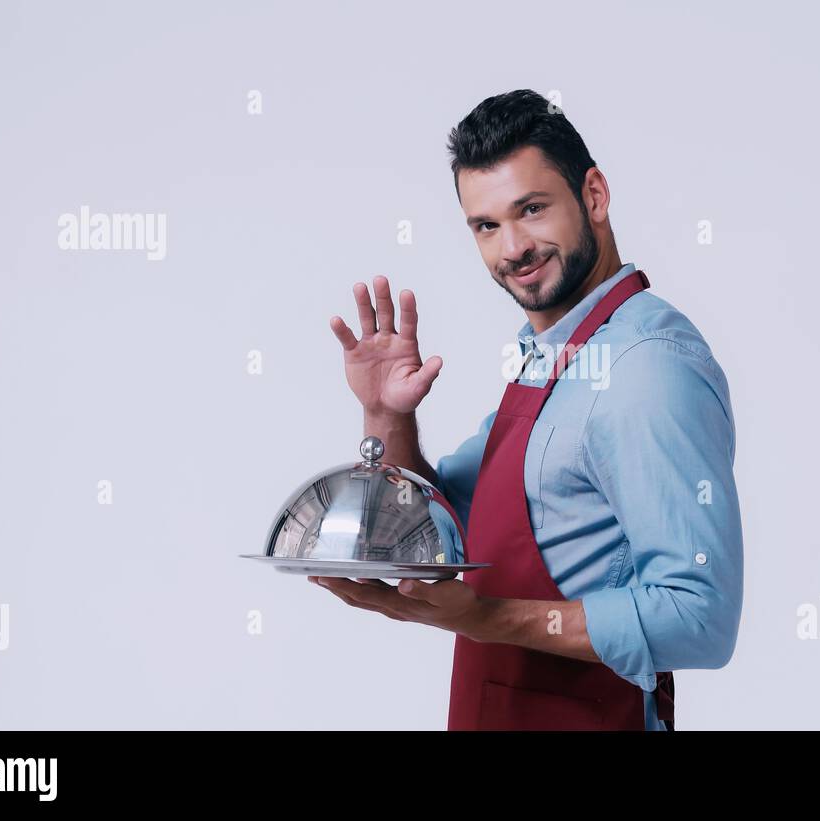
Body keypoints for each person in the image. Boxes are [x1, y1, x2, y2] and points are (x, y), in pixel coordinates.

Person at [311, 89, 742, 731]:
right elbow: (435, 527)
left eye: (532, 209)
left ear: (593, 196)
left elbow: (698, 617)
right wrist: (385, 415)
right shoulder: (554, 357)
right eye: (486, 226)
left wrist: (487, 619)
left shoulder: (645, 367)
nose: (512, 247)